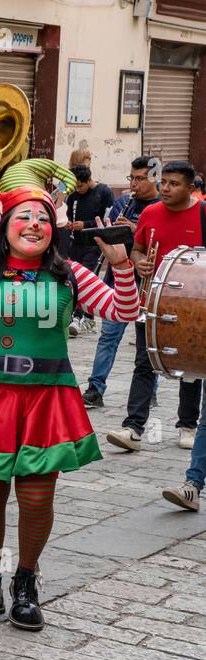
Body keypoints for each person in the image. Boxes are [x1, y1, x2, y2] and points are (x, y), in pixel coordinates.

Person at [0, 167, 139, 631]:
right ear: (7, 225)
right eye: (23, 216)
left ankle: (26, 582)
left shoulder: (69, 273)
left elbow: (123, 311)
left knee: (36, 498)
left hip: (45, 399)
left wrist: (120, 264)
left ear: (51, 228)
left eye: (42, 217)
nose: (33, 224)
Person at [105, 160, 203, 453]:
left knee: (190, 365)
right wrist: (139, 261)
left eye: (174, 184)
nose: (166, 188)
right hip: (151, 301)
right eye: (164, 182)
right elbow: (136, 248)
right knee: (143, 363)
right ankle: (133, 428)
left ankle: (187, 424)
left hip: (193, 306)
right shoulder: (150, 212)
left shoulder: (202, 213)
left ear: (191, 187)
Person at [81, 155, 160, 408]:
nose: (134, 184)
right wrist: (115, 231)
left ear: (154, 178)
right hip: (120, 278)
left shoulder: (161, 207)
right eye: (132, 178)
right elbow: (108, 234)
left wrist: (137, 231)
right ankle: (95, 387)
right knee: (108, 336)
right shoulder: (124, 202)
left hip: (150, 283)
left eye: (140, 179)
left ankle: (149, 389)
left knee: (147, 343)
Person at [64, 164, 116, 335]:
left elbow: (109, 218)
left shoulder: (103, 192)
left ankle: (77, 318)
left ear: (88, 180)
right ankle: (86, 317)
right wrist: (70, 224)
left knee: (84, 279)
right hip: (76, 243)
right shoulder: (73, 196)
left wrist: (85, 225)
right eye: (75, 186)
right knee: (71, 279)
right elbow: (66, 213)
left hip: (94, 244)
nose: (77, 190)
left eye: (80, 186)